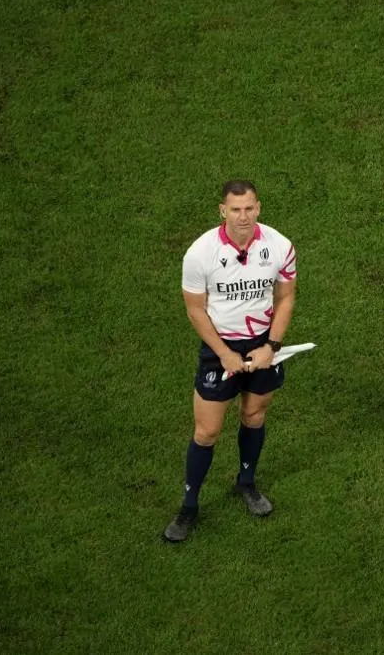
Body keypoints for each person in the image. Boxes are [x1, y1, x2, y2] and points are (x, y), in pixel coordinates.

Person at [162, 180, 298, 542]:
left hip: (262, 345)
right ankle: (189, 506)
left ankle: (247, 483)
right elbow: (194, 310)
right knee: (206, 431)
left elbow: (285, 299)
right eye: (235, 209)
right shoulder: (199, 253)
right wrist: (225, 354)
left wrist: (271, 346)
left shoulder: (280, 246)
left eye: (249, 208)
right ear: (222, 210)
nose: (243, 216)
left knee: (254, 414)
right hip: (219, 347)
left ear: (259, 207)